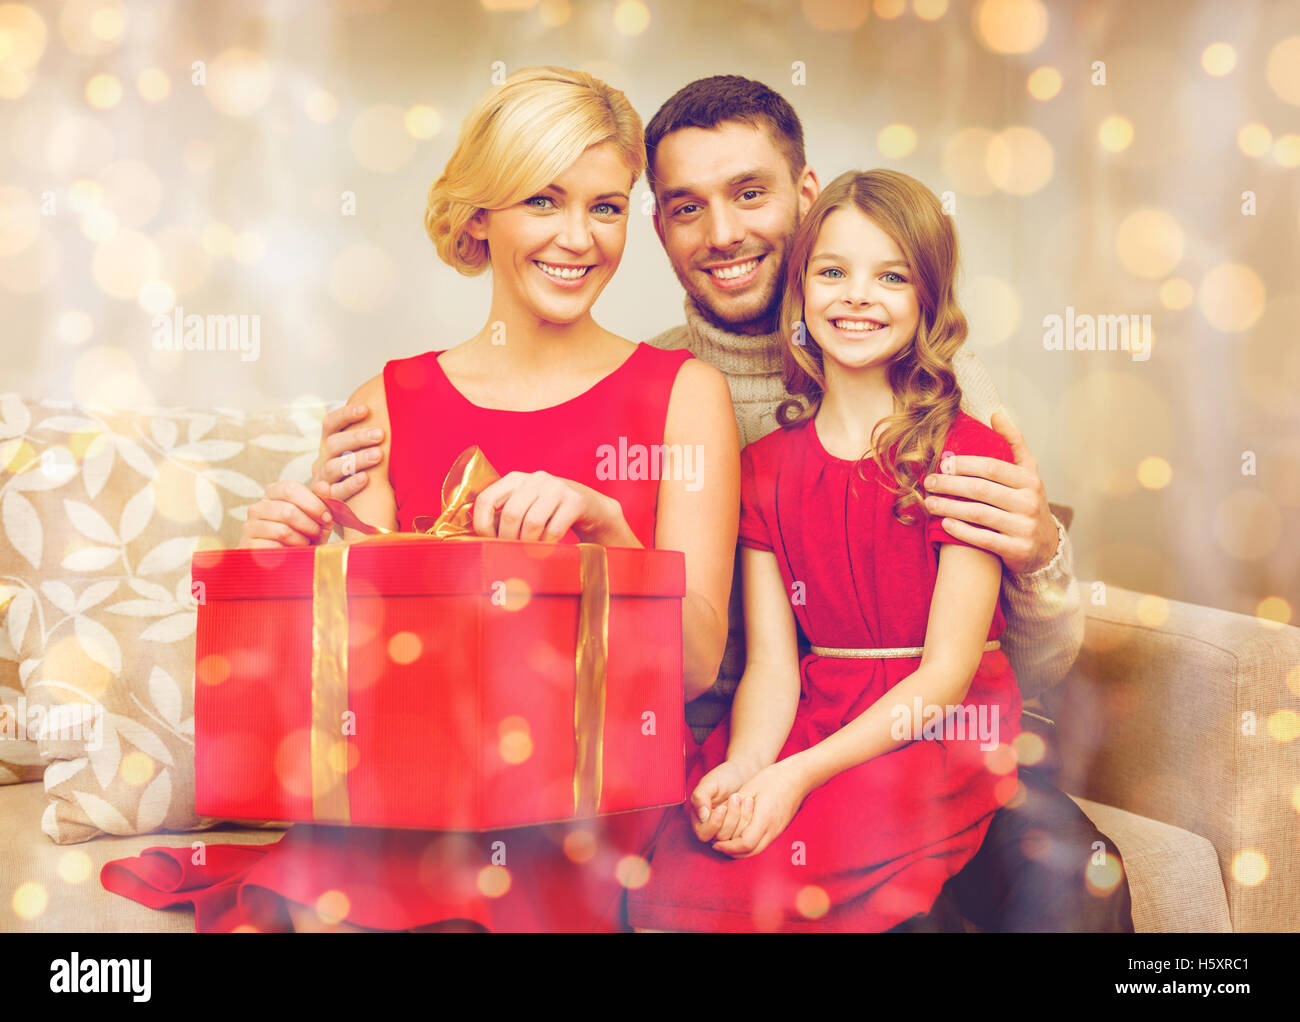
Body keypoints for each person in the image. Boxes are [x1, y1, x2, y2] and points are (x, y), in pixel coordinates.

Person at [314, 77, 1134, 932]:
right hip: (754, 739)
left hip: (927, 737)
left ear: (805, 197)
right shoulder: (671, 384)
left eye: (750, 193)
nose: (724, 233)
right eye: (684, 208)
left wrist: (1038, 553)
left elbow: (1019, 665)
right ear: (659, 225)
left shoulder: (934, 394)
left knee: (1075, 880)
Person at [100, 66, 738, 932]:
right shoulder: (387, 402)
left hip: (593, 797)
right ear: (481, 214)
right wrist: (286, 565)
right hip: (418, 795)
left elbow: (697, 665)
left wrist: (613, 531)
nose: (579, 238)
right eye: (542, 202)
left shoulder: (684, 394)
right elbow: (354, 688)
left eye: (607, 206)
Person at [629, 167, 1021, 930]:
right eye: (832, 272)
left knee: (798, 868)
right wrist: (749, 766)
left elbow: (946, 675)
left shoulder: (968, 455)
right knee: (689, 872)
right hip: (820, 711)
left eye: (891, 277)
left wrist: (794, 778)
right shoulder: (767, 468)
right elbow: (775, 665)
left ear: (927, 300)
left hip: (935, 728)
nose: (856, 296)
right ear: (800, 292)